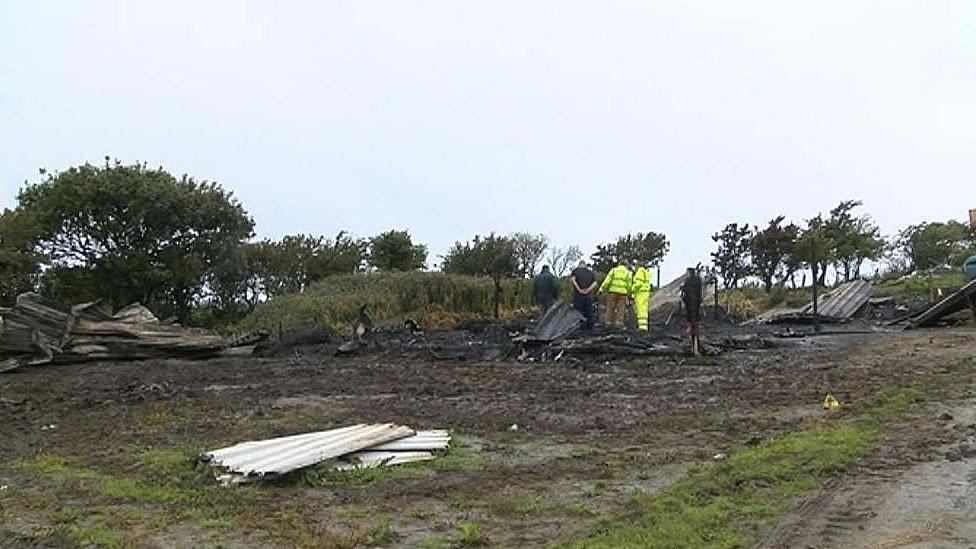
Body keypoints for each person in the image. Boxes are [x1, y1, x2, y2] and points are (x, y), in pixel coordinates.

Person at [599, 259, 633, 329]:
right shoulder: (628, 273)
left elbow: (607, 281)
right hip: (623, 293)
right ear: (626, 265)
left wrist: (601, 289)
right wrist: (629, 294)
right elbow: (629, 285)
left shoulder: (614, 270)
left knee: (610, 308)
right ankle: (618, 324)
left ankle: (608, 323)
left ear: (619, 264)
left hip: (612, 292)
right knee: (621, 309)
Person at [680, 267, 703, 355]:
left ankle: (695, 348)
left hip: (691, 307)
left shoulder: (688, 281)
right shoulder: (698, 280)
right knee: (695, 326)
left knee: (693, 325)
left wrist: (682, 291)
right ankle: (695, 347)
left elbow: (686, 293)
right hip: (696, 307)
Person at [570, 260, 597, 330]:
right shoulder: (590, 272)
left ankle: (579, 328)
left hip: (578, 295)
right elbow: (595, 283)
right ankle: (590, 328)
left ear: (579, 265)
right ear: (585, 265)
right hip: (588, 295)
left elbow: (573, 280)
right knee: (589, 312)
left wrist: (579, 289)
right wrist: (588, 289)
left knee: (578, 312)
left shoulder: (575, 271)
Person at [631, 263, 652, 333]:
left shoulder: (640, 272)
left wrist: (632, 289)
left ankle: (642, 327)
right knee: (644, 310)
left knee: (641, 310)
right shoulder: (645, 272)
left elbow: (638, 284)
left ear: (638, 266)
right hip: (645, 293)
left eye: (635, 266)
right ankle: (644, 326)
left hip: (640, 293)